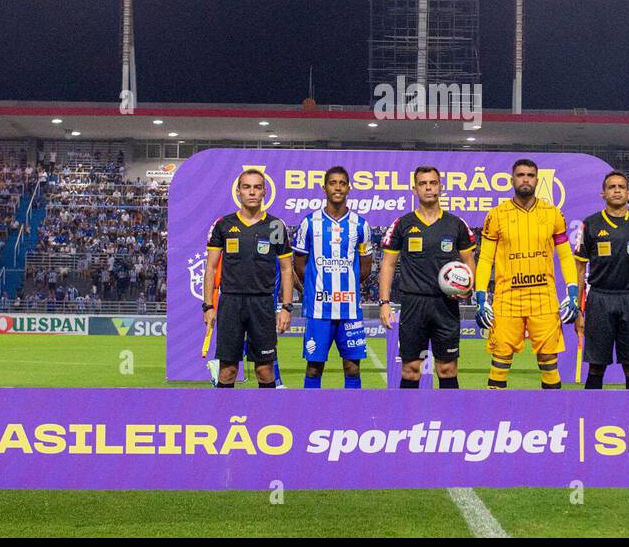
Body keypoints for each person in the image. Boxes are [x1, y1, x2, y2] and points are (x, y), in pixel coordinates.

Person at [474, 159, 579, 389]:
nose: (525, 179)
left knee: (549, 363)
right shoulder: (496, 215)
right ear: (512, 180)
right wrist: (481, 297)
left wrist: (572, 292)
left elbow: (565, 257)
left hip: (543, 299)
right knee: (500, 362)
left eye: (530, 175)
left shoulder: (553, 214)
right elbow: (485, 259)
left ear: (537, 180)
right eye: (520, 175)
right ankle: (495, 419)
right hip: (507, 299)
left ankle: (554, 419)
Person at [378, 166, 476, 388]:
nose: (429, 187)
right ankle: (406, 421)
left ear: (441, 187)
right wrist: (384, 303)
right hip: (414, 303)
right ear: (415, 189)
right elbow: (388, 264)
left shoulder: (456, 224)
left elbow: (469, 260)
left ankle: (449, 421)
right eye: (423, 183)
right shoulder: (403, 224)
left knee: (447, 368)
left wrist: (468, 287)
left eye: (433, 183)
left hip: (446, 304)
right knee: (411, 370)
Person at [202, 170, 293, 388]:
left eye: (257, 187)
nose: (252, 192)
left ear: (264, 192)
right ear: (238, 191)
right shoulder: (223, 225)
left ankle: (265, 420)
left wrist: (287, 307)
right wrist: (208, 305)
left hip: (262, 303)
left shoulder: (275, 226)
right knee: (227, 370)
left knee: (265, 370)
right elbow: (211, 268)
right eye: (246, 187)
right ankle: (223, 420)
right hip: (231, 303)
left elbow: (287, 269)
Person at [574, 171, 629, 389]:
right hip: (600, 299)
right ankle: (590, 418)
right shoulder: (590, 224)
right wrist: (577, 310)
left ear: (628, 193)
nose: (616, 190)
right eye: (611, 187)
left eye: (621, 187)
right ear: (603, 193)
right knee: (596, 366)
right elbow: (579, 269)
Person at [292, 166, 373, 389]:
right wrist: (315, 288)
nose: (337, 187)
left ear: (349, 187)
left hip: (349, 309)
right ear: (324, 187)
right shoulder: (309, 223)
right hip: (319, 310)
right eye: (332, 183)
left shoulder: (361, 225)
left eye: (342, 183)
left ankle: (353, 417)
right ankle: (309, 417)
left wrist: (347, 288)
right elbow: (300, 266)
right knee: (314, 367)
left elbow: (365, 269)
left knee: (352, 367)